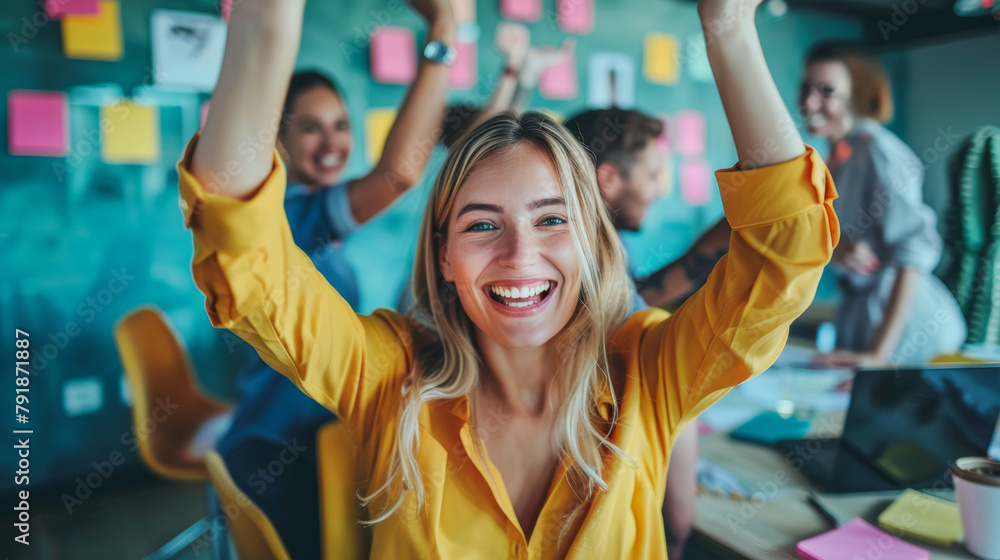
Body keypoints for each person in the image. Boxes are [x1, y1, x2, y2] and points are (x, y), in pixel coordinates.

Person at [180, 0, 839, 556]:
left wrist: (727, 26)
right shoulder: (388, 376)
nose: (520, 254)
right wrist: (267, 23)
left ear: (588, 240)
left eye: (552, 220)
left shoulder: (648, 370)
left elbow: (783, 259)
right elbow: (247, 257)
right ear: (443, 258)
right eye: (482, 225)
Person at [207, 1, 454, 556]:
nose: (332, 143)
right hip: (277, 449)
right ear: (280, 141)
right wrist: (444, 29)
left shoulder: (308, 212)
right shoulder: (297, 216)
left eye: (341, 126)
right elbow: (399, 172)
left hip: (284, 436)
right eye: (311, 129)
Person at [562, 107, 710, 558]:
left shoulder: (594, 248)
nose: (659, 188)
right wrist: (680, 533)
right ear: (608, 179)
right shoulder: (592, 259)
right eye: (652, 173)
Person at [800, 43, 966, 367]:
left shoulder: (876, 150)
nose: (808, 102)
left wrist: (879, 354)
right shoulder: (833, 159)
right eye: (805, 88)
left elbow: (914, 249)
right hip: (863, 320)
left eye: (827, 90)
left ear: (857, 95)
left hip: (910, 333)